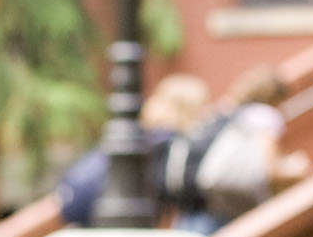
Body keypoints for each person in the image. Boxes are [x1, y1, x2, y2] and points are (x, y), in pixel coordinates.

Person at [165, 65, 311, 233]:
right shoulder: (266, 115)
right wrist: (299, 169)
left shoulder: (225, 110)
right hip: (226, 206)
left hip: (194, 203)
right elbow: (271, 170)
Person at [54, 73, 210, 227]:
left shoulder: (134, 134)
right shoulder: (170, 145)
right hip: (108, 213)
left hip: (75, 203)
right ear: (190, 108)